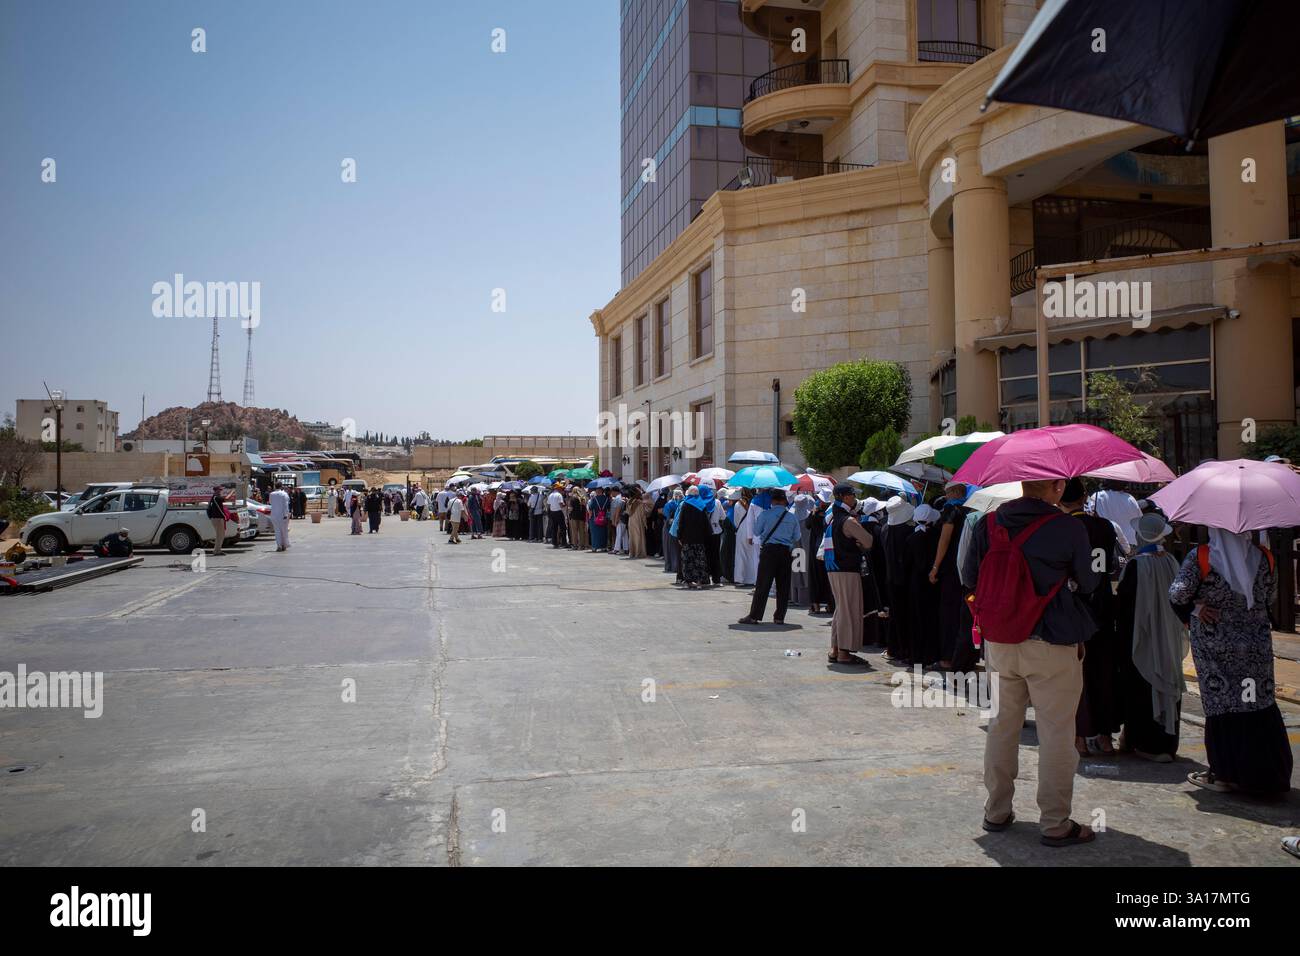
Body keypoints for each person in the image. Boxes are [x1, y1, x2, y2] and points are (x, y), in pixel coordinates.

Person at [961, 477, 1100, 847]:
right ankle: (1055, 822)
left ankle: (997, 810)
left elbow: (968, 576)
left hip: (1000, 639)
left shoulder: (989, 523)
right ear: (1055, 486)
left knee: (1002, 726)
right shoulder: (1069, 527)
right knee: (1056, 732)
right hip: (1052, 640)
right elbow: (1089, 583)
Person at [1169, 526, 1293, 796]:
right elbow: (1269, 596)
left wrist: (1198, 608)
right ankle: (1267, 776)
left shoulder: (1201, 556)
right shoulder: (1265, 557)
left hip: (1217, 646)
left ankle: (1226, 773)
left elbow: (1177, 594)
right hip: (1255, 646)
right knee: (1257, 702)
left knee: (1222, 704)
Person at [1115, 513, 1187, 762]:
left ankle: (1144, 742)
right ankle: (1166, 744)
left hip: (1140, 638)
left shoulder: (1136, 565)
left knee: (1140, 688)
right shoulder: (1170, 561)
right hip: (1167, 637)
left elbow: (1124, 606)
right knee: (1165, 683)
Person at [1059, 478, 1122, 757]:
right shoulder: (1105, 526)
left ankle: (1079, 738)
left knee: (1075, 674)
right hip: (1104, 604)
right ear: (1084, 496)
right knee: (1104, 670)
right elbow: (1113, 565)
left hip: (1076, 606)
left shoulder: (1065, 528)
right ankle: (1106, 736)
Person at [824, 483, 873, 665]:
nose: (854, 498)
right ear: (845, 497)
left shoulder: (833, 517)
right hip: (846, 569)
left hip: (834, 568)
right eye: (852, 495)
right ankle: (844, 652)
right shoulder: (848, 520)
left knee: (841, 608)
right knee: (849, 609)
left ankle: (836, 649)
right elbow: (868, 541)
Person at [929, 481, 974, 671]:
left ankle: (948, 658)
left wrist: (935, 566)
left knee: (949, 614)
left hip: (950, 568)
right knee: (965, 615)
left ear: (953, 492)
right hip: (968, 568)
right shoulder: (971, 510)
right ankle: (966, 658)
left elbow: (944, 539)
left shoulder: (951, 511)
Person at [739, 488, 801, 625]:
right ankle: (779, 617)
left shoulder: (765, 515)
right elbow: (797, 536)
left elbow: (756, 531)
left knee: (763, 585)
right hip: (785, 552)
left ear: (772, 501)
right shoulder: (792, 517)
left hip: (769, 551)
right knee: (783, 586)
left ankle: (755, 616)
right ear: (785, 501)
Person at [905, 504, 942, 667]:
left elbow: (907, 564)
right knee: (931, 619)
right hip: (933, 582)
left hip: (915, 584)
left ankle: (916, 656)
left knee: (916, 619)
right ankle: (931, 655)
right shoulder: (936, 536)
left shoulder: (911, 538)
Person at [882, 496, 915, 664]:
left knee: (895, 615)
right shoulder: (909, 532)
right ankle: (905, 650)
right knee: (906, 616)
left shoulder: (885, 530)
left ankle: (893, 648)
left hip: (891, 578)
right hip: (905, 579)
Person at [675, 485, 714, 589]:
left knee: (688, 559)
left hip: (687, 538)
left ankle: (689, 580)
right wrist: (707, 536)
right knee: (700, 559)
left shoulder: (686, 505)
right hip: (699, 538)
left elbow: (681, 522)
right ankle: (701, 579)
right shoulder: (702, 505)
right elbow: (706, 523)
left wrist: (679, 536)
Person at [806, 496, 834, 614]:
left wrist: (813, 512)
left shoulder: (815, 514)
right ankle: (830, 604)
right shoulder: (831, 515)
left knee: (815, 577)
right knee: (828, 578)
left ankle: (816, 605)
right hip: (828, 549)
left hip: (815, 549)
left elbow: (807, 525)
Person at [789, 492, 816, 607]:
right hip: (806, 550)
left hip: (795, 550)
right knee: (805, 572)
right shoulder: (809, 516)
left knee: (795, 572)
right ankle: (805, 598)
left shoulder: (791, 516)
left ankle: (795, 597)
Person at [733, 490, 763, 587]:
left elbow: (736, 521)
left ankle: (740, 578)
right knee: (753, 555)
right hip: (753, 530)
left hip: (742, 530)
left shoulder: (738, 504)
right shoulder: (755, 502)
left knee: (741, 554)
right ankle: (752, 578)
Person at [662, 489, 682, 574]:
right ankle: (676, 566)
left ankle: (669, 566)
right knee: (676, 548)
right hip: (678, 528)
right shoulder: (682, 503)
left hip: (668, 527)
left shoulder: (669, 504)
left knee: (667, 547)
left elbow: (666, 515)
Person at [207, 489, 229, 556]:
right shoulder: (216, 498)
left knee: (220, 535)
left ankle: (217, 550)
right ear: (215, 491)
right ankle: (217, 551)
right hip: (217, 519)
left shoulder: (214, 497)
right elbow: (226, 499)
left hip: (216, 518)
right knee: (220, 535)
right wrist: (232, 492)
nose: (220, 491)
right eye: (219, 490)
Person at [269, 485, 291, 550]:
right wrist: (286, 514)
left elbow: (270, 502)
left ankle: (279, 545)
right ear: (281, 486)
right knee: (284, 531)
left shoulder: (271, 494)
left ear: (275, 486)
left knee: (277, 531)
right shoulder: (284, 494)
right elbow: (286, 505)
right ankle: (284, 544)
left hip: (274, 514)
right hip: (282, 515)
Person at [588, 487, 610, 552]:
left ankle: (595, 547)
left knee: (595, 533)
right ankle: (604, 547)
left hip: (595, 518)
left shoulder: (594, 499)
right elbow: (608, 507)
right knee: (603, 533)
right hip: (604, 518)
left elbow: (590, 508)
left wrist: (590, 517)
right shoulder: (606, 499)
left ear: (598, 491)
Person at [628, 489, 648, 559]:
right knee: (639, 537)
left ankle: (632, 553)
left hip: (631, 520)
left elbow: (627, 512)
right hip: (638, 520)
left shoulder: (629, 501)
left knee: (632, 537)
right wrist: (645, 523)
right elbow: (643, 514)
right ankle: (638, 553)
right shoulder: (640, 503)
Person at [611, 489, 627, 554]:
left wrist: (615, 519)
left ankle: (617, 549)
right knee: (625, 535)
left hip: (621, 519)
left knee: (619, 534)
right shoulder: (626, 500)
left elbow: (617, 510)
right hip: (625, 519)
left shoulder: (619, 500)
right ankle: (626, 548)